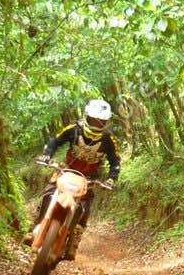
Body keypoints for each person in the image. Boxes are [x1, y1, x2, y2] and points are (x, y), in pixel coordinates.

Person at [32, 99, 121, 260]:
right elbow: (54, 141)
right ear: (86, 117)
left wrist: (111, 178)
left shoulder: (109, 140)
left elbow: (115, 160)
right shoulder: (74, 129)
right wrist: (47, 155)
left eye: (101, 121)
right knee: (49, 192)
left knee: (84, 207)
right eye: (94, 120)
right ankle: (35, 224)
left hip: (90, 177)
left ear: (106, 122)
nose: (97, 124)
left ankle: (74, 241)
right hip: (66, 169)